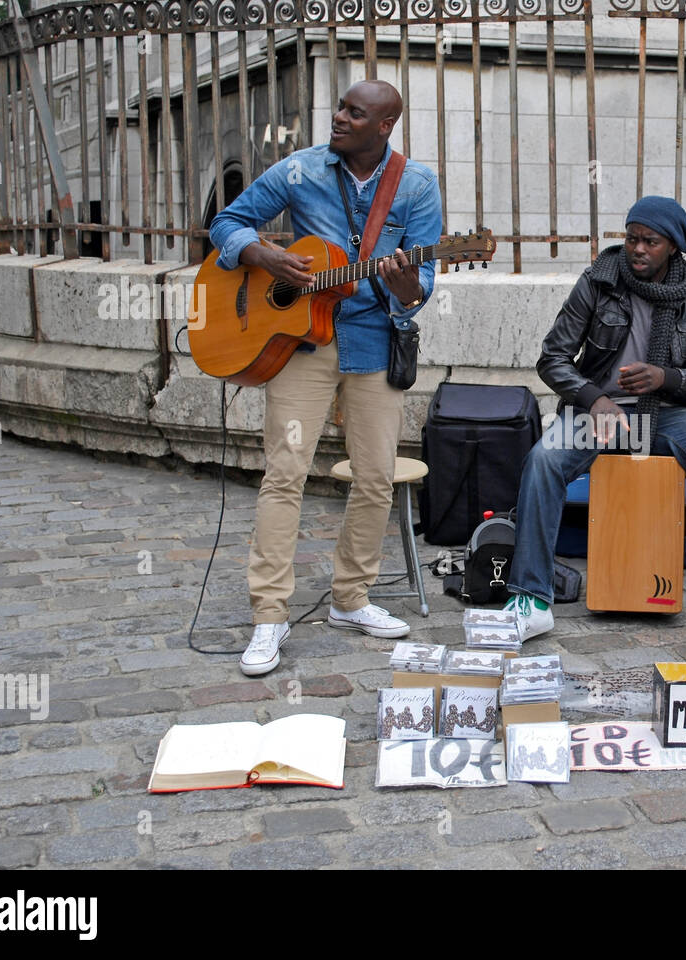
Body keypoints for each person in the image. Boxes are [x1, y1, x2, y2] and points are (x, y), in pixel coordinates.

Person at [208, 80, 443, 676]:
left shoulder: (416, 186)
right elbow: (227, 223)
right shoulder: (299, 171)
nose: (338, 118)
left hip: (373, 344)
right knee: (284, 473)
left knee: (374, 478)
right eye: (339, 107)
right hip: (301, 348)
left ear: (384, 126)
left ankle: (351, 598)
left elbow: (421, 286)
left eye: (354, 113)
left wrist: (403, 283)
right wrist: (261, 256)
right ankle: (269, 614)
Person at [502, 196, 686, 662]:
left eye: (649, 241)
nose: (637, 248)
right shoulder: (597, 283)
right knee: (544, 459)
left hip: (670, 413)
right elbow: (552, 358)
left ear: (672, 246)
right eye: (632, 237)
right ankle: (531, 600)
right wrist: (593, 397)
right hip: (600, 414)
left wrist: (666, 378)